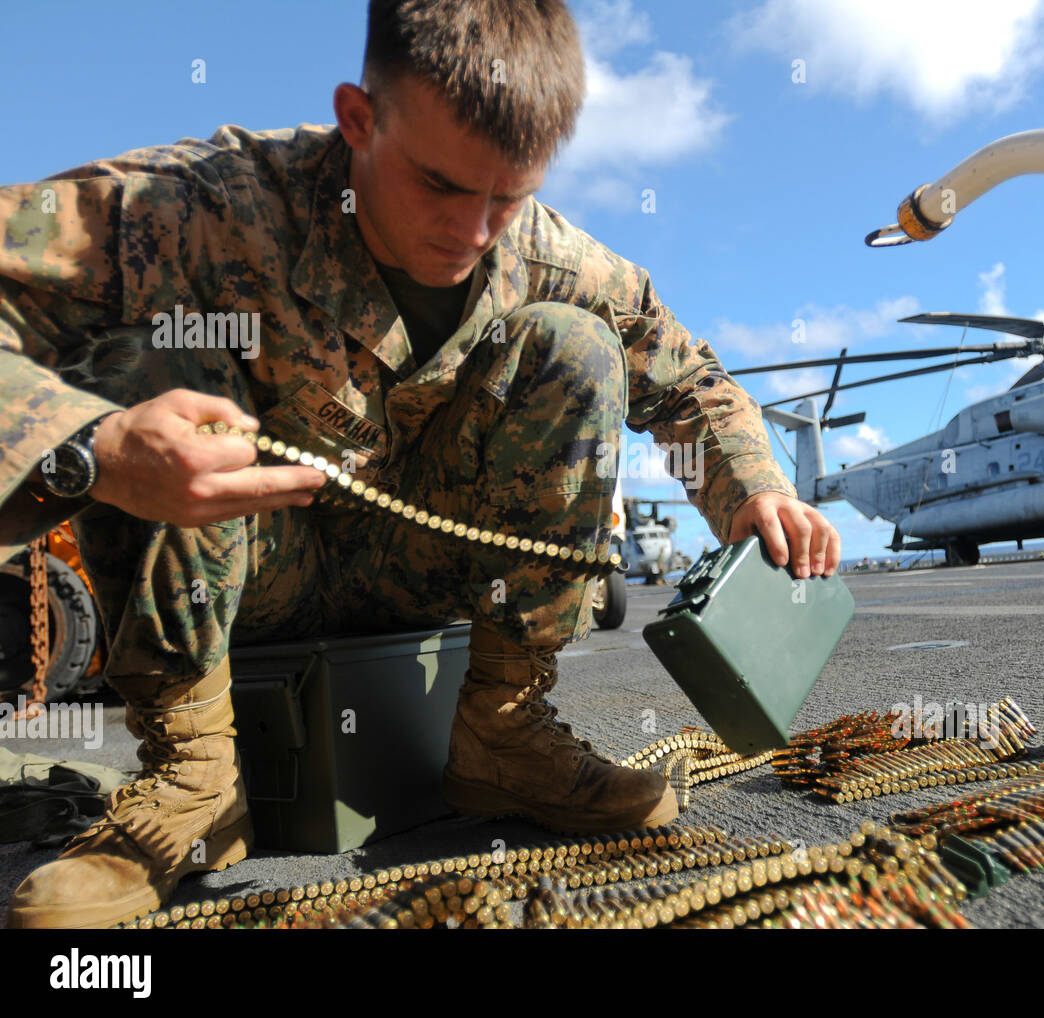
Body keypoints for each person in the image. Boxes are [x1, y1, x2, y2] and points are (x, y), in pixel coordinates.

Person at [0, 0, 840, 928]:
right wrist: (92, 449)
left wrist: (754, 488)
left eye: (507, 196)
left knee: (578, 346)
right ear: (359, 119)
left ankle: (505, 734)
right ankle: (192, 774)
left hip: (433, 577)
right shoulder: (204, 206)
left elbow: (688, 382)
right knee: (149, 357)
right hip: (247, 580)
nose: (474, 230)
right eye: (439, 184)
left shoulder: (550, 256)